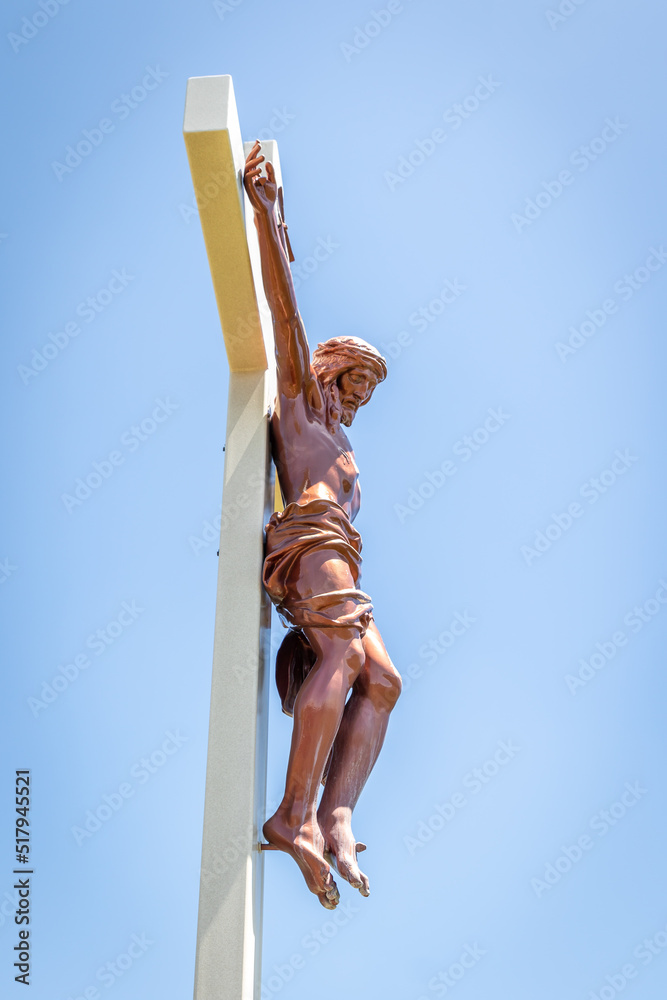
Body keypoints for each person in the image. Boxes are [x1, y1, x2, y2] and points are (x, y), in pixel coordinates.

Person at [244, 142, 401, 909]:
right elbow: (284, 310)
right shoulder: (303, 402)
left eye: (368, 392)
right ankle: (291, 816)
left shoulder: (341, 440)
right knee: (341, 656)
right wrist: (268, 214)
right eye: (357, 382)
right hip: (307, 542)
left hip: (342, 558)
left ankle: (335, 815)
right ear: (331, 369)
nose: (359, 400)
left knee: (383, 679)